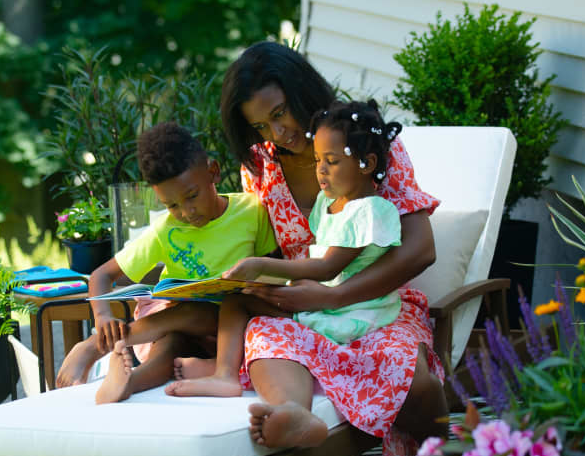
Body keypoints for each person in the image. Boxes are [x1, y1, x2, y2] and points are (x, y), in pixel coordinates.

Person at [208, 41, 446, 456]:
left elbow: (420, 250)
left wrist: (334, 297)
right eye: (261, 126)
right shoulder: (259, 166)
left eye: (280, 113)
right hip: (304, 303)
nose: (277, 134)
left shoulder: (362, 143)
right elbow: (276, 250)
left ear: (301, 93)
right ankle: (293, 415)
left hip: (375, 302)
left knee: (411, 378)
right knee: (264, 337)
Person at [163, 99, 404, 400]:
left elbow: (328, 267)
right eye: (318, 160)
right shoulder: (328, 204)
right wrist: (288, 283)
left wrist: (262, 266)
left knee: (242, 304)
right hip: (326, 297)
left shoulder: (370, 211)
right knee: (240, 300)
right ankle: (223, 373)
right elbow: (316, 260)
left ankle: (225, 372)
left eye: (332, 161)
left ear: (366, 164)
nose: (321, 171)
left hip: (351, 309)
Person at [57, 121, 277, 404]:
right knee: (172, 343)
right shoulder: (166, 229)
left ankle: (103, 357)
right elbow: (101, 275)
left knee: (203, 315)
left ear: (213, 172)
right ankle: (122, 377)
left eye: (192, 196)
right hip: (177, 325)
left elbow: (273, 269)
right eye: (171, 205)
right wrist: (103, 319)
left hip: (233, 328)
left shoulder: (251, 211)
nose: (186, 212)